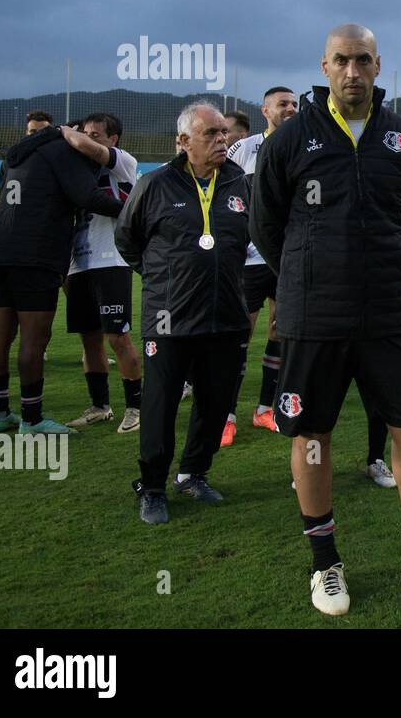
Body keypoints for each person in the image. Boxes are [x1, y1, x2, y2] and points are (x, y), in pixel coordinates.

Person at [251, 23, 401, 613]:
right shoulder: (289, 140)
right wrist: (312, 275)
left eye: (362, 60)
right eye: (341, 61)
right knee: (311, 438)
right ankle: (325, 565)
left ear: (378, 66)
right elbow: (265, 226)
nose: (352, 71)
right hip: (315, 316)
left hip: (387, 312)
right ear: (324, 66)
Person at [115, 102, 249, 524]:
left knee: (216, 402)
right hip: (168, 319)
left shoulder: (241, 185)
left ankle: (194, 473)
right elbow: (127, 240)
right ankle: (152, 486)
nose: (221, 140)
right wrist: (162, 279)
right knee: (160, 405)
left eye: (224, 133)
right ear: (183, 141)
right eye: (210, 133)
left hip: (225, 315)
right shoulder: (154, 185)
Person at [0, 124, 125, 435]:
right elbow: (88, 196)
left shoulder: (17, 154)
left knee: (0, 335)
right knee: (34, 338)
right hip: (35, 254)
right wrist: (133, 208)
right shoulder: (62, 151)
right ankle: (32, 419)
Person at [223, 87, 298, 447]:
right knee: (241, 333)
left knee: (279, 331)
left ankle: (265, 408)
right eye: (283, 104)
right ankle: (226, 413)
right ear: (265, 109)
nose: (291, 109)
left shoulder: (305, 144)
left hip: (287, 259)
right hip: (250, 258)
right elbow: (226, 196)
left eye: (295, 104)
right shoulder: (244, 148)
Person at [61, 115, 144, 433]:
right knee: (90, 341)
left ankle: (135, 408)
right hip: (78, 263)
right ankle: (100, 406)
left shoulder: (121, 162)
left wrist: (65, 133)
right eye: (85, 133)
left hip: (111, 261)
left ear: (114, 140)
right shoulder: (76, 173)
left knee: (117, 338)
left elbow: (86, 147)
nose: (86, 138)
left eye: (96, 134)